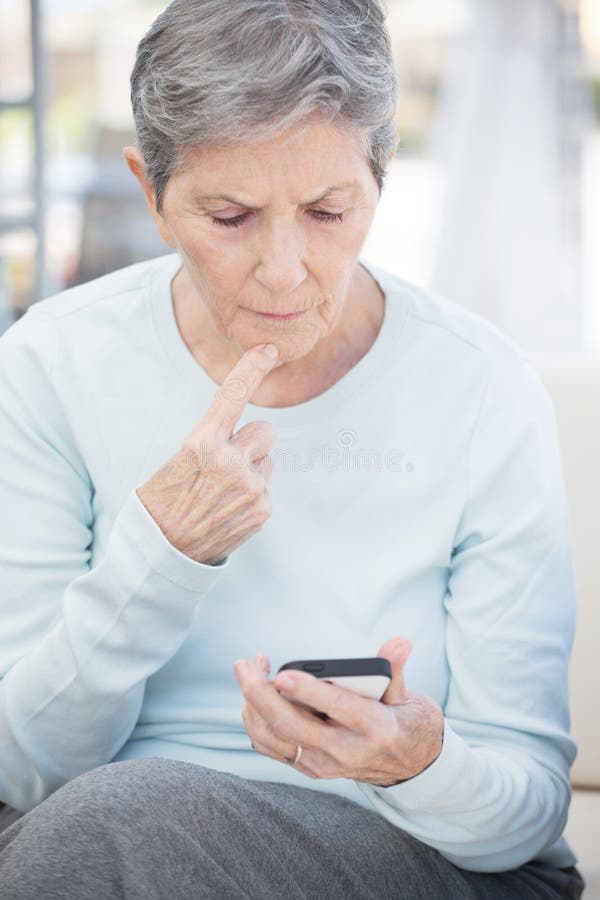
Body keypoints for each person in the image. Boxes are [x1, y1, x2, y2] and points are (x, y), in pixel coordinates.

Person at [0, 1, 586, 897]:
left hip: (404, 846)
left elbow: (524, 819)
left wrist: (415, 762)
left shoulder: (481, 388)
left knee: (111, 828)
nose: (283, 268)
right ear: (151, 194)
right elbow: (24, 770)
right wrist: (163, 553)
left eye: (326, 210)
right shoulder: (53, 361)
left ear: (379, 182)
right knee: (101, 828)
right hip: (91, 836)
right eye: (229, 217)